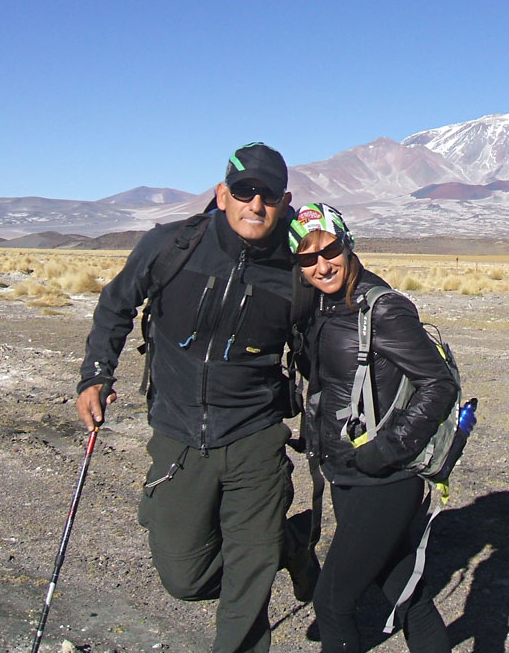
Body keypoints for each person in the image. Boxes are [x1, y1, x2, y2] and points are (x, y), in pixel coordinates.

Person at [75, 143, 317, 653]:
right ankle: (287, 543)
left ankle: (264, 550)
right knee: (183, 578)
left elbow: (340, 326)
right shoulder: (173, 246)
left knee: (246, 588)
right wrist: (96, 374)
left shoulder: (298, 269)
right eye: (245, 191)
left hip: (255, 438)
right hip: (178, 435)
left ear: (285, 200)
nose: (256, 204)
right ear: (222, 194)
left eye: (268, 194)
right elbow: (116, 304)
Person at [289, 202, 454, 653]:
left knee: (333, 601)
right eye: (307, 258)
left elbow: (438, 384)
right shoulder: (321, 307)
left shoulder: (383, 309)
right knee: (405, 593)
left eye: (330, 250)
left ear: (348, 244)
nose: (322, 265)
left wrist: (388, 449)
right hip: (345, 474)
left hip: (384, 479)